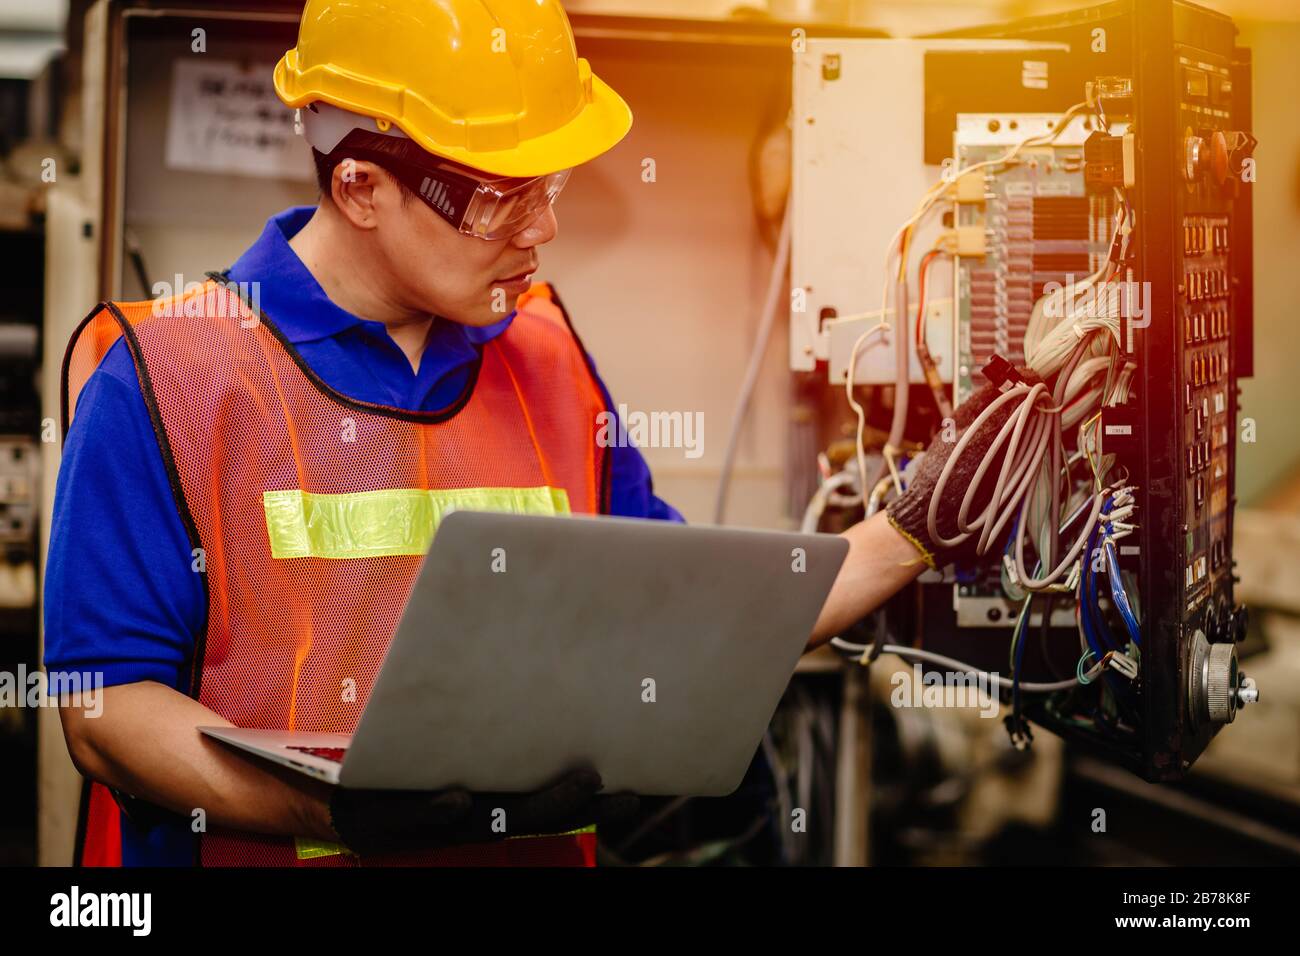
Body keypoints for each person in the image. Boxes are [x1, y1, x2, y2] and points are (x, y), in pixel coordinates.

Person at [47, 0, 1007, 867]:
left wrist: (915, 525)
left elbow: (703, 615)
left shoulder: (545, 357)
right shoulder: (167, 377)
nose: (542, 227)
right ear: (361, 188)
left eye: (551, 183)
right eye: (502, 195)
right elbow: (106, 712)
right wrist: (337, 818)